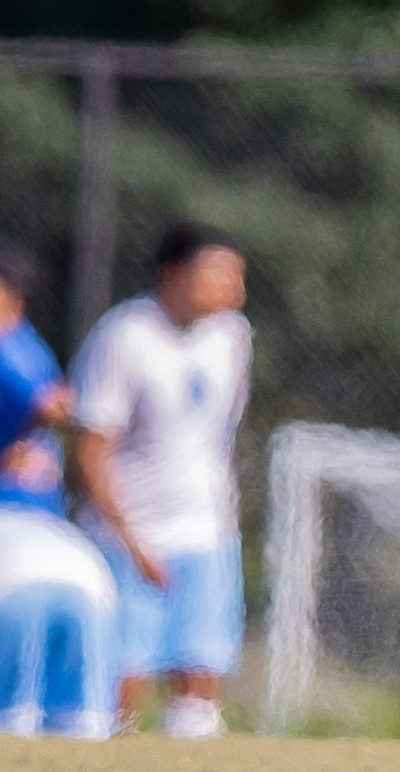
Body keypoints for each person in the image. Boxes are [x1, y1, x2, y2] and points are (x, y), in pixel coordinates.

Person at [72, 223, 251, 739]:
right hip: (132, 535)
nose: (233, 290)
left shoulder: (232, 337)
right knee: (123, 684)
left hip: (205, 532)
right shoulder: (125, 335)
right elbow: (92, 449)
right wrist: (132, 542)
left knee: (200, 676)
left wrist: (221, 518)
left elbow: (219, 437)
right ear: (173, 274)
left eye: (237, 278)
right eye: (218, 275)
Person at [0, 242, 116, 740]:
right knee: (67, 720)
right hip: (59, 549)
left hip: (19, 540)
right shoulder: (31, 346)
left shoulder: (13, 352)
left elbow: (59, 409)